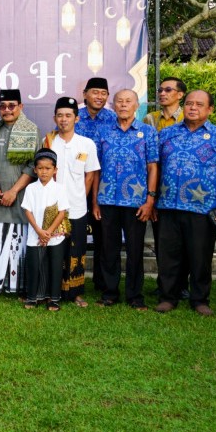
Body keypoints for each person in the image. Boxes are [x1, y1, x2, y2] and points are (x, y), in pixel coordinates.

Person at [155, 90, 216, 315]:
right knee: (168, 255)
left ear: (210, 109)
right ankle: (168, 297)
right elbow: (156, 167)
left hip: (202, 208)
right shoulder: (167, 134)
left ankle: (200, 299)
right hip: (168, 205)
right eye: (190, 103)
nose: (193, 108)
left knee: (200, 256)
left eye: (199, 104)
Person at [92, 90, 158, 310]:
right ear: (114, 105)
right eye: (119, 101)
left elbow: (153, 167)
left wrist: (150, 199)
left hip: (136, 202)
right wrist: (95, 201)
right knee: (108, 249)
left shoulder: (148, 132)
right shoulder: (103, 132)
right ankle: (110, 293)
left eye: (128, 101)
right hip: (108, 199)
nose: (123, 105)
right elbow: (95, 170)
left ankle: (135, 295)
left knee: (135, 250)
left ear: (136, 105)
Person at [42, 96, 100, 307]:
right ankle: (51, 291)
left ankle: (75, 292)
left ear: (76, 118)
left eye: (68, 115)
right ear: (55, 118)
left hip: (76, 208)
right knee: (54, 250)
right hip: (52, 208)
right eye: (60, 115)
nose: (64, 119)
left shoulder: (86, 144)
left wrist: (81, 199)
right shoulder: (48, 142)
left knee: (76, 251)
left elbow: (90, 176)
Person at [0, 89, 37, 296]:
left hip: (18, 196)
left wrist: (13, 191)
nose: (7, 110)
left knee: (16, 241)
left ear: (21, 107)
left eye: (12, 106)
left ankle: (17, 287)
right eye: (3, 106)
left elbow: (33, 166)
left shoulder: (32, 130)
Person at [144, 77, 188, 299]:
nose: (162, 93)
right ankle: (165, 284)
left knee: (185, 241)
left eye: (168, 90)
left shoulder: (188, 118)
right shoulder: (150, 119)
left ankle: (182, 284)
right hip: (158, 186)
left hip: (183, 186)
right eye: (160, 89)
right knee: (163, 240)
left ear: (180, 95)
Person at [75, 76, 116, 294]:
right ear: (85, 94)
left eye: (103, 93)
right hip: (76, 183)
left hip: (104, 185)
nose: (99, 96)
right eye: (95, 92)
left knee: (104, 236)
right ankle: (73, 279)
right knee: (75, 234)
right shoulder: (74, 117)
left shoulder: (113, 119)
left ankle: (102, 282)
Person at [21, 149, 70, 311]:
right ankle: (33, 297)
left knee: (55, 267)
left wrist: (48, 232)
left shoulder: (60, 188)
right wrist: (39, 231)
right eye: (40, 168)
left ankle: (54, 299)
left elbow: (62, 211)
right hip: (35, 234)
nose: (44, 171)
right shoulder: (31, 188)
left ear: (55, 170)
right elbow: (27, 210)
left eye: (48, 168)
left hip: (55, 236)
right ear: (35, 169)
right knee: (35, 266)